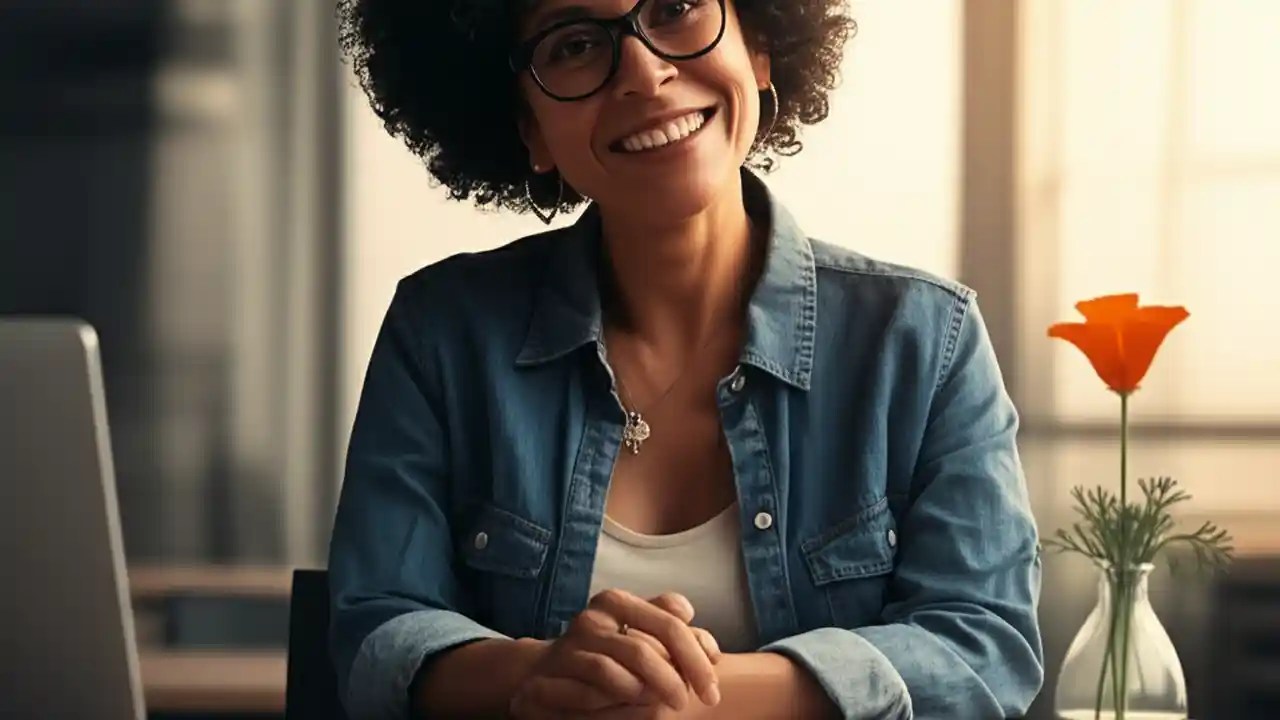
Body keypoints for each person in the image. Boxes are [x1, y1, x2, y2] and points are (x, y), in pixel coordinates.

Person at [327, 0, 1044, 717]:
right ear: (528, 127)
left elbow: (982, 648)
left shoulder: (924, 340)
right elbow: (378, 631)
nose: (643, 72)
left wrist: (690, 695)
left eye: (675, 9)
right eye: (574, 45)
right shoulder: (441, 335)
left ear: (758, 50)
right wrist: (540, 673)